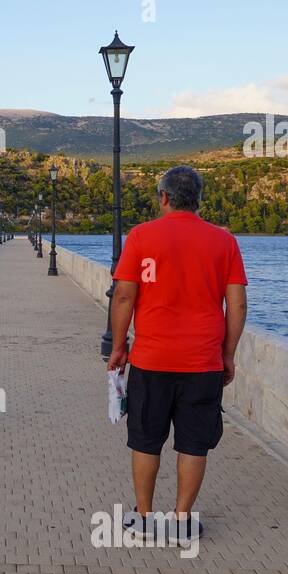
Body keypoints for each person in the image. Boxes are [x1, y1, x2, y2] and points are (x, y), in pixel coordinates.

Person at [106, 165, 248, 541]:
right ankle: (182, 520)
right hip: (202, 363)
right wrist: (228, 354)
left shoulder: (141, 236)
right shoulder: (224, 242)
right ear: (198, 200)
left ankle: (144, 517)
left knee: (145, 439)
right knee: (193, 442)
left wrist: (120, 346)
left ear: (164, 197)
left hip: (151, 360)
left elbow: (123, 295)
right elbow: (237, 306)